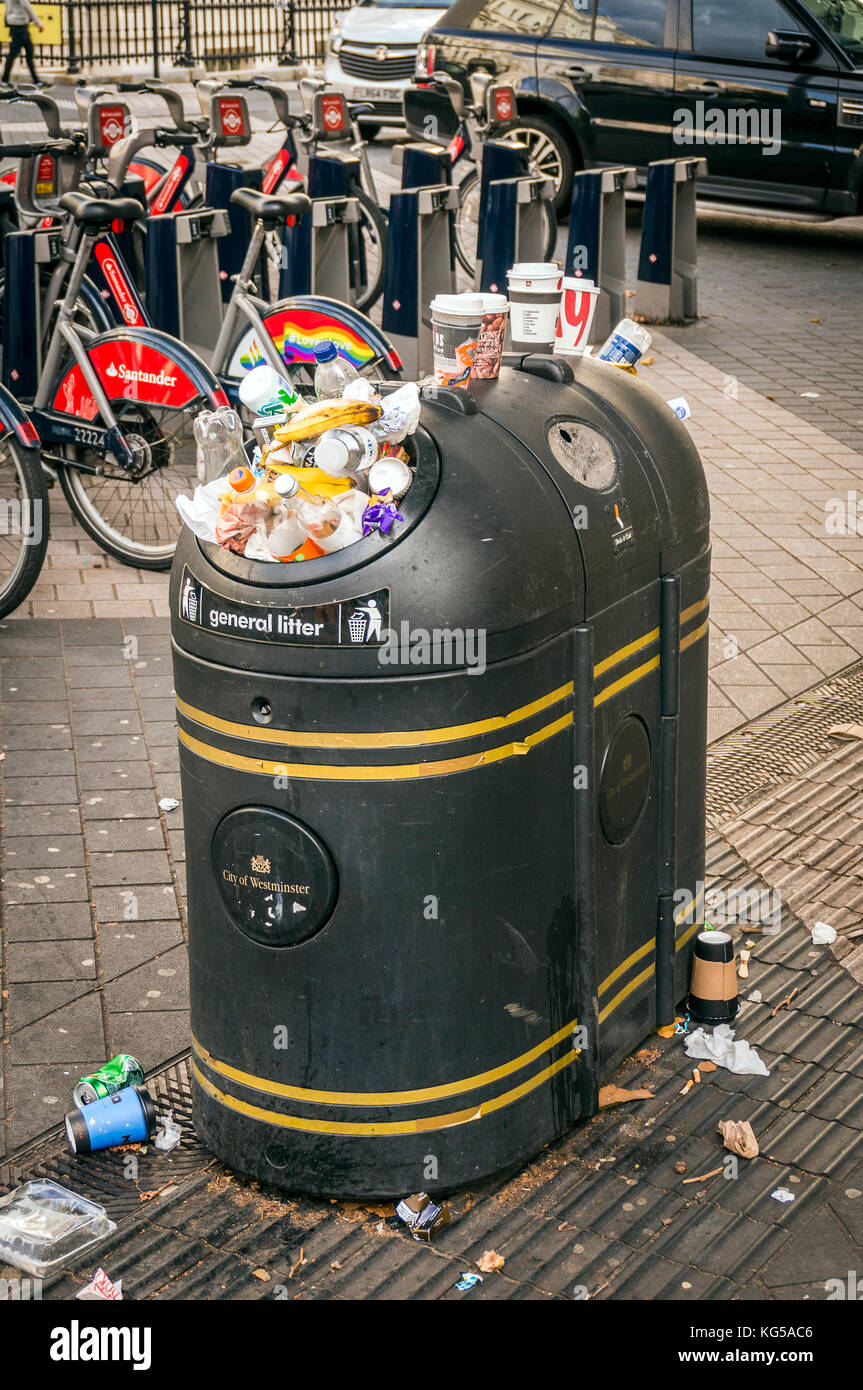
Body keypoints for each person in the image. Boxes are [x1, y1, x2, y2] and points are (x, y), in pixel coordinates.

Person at [2, 0, 44, 85]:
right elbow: (26, 5)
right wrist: (37, 22)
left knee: (29, 51)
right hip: (19, 24)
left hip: (15, 23)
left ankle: (36, 80)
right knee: (14, 53)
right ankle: (4, 81)